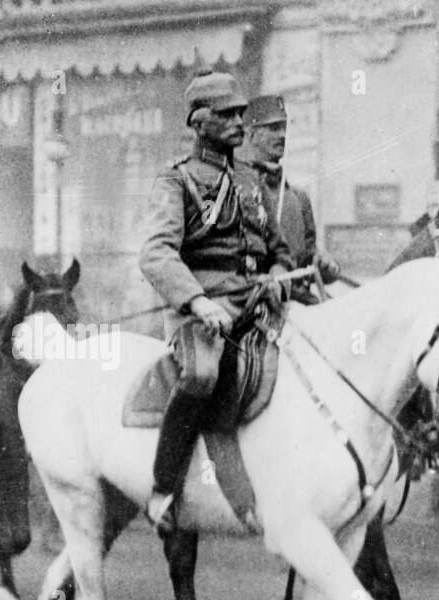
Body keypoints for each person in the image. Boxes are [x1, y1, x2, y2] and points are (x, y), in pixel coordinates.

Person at [140, 69, 295, 537]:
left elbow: (279, 250)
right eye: (226, 114)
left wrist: (277, 276)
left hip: (255, 306)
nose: (238, 121)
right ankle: (163, 488)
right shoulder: (177, 180)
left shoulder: (250, 180)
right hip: (204, 313)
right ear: (199, 120)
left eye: (240, 113)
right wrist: (197, 302)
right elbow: (156, 253)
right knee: (203, 373)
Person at [241, 94, 339, 295]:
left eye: (284, 128)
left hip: (298, 298)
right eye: (273, 128)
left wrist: (325, 264)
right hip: (254, 301)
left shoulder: (298, 199)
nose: (282, 135)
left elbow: (308, 254)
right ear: (251, 136)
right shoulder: (239, 191)